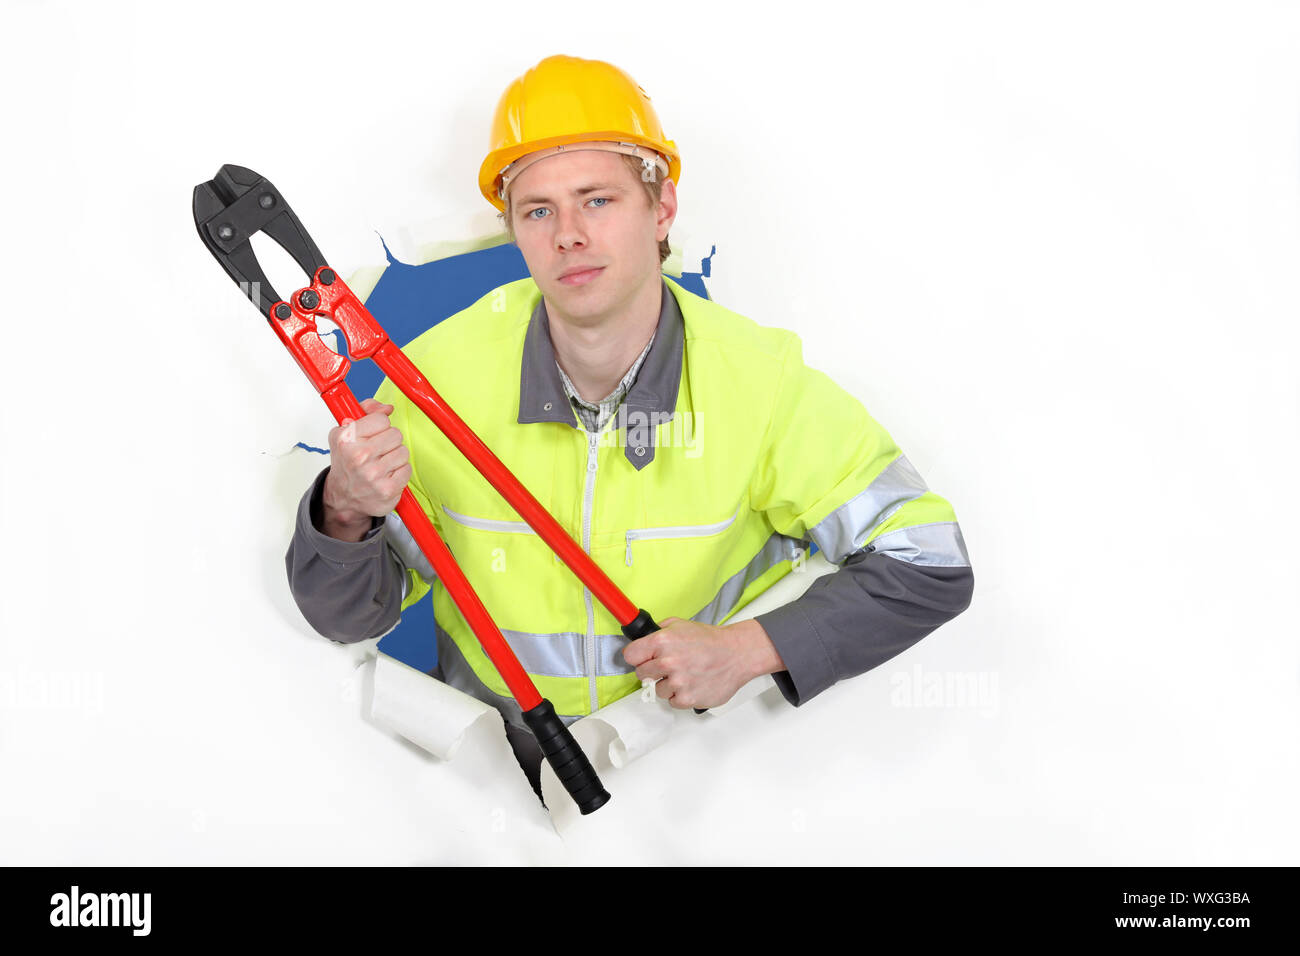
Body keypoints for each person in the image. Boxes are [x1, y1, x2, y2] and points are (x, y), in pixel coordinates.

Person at [285, 54, 974, 802]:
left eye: (597, 200)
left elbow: (930, 560)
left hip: (699, 780)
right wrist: (345, 509)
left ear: (663, 208)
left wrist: (747, 650)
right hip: (494, 796)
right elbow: (347, 620)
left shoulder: (759, 383)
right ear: (513, 229)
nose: (569, 235)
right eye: (538, 210)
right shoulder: (436, 378)